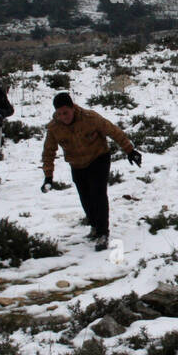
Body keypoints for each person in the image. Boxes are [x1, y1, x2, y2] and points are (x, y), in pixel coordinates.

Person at [40, 92, 142, 251]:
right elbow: (48, 152)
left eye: (65, 112)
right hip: (77, 164)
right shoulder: (54, 128)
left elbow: (113, 131)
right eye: (59, 114)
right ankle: (95, 226)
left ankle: (103, 232)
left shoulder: (90, 118)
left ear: (73, 108)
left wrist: (130, 150)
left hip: (98, 158)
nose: (63, 117)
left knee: (98, 193)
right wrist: (48, 176)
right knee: (85, 197)